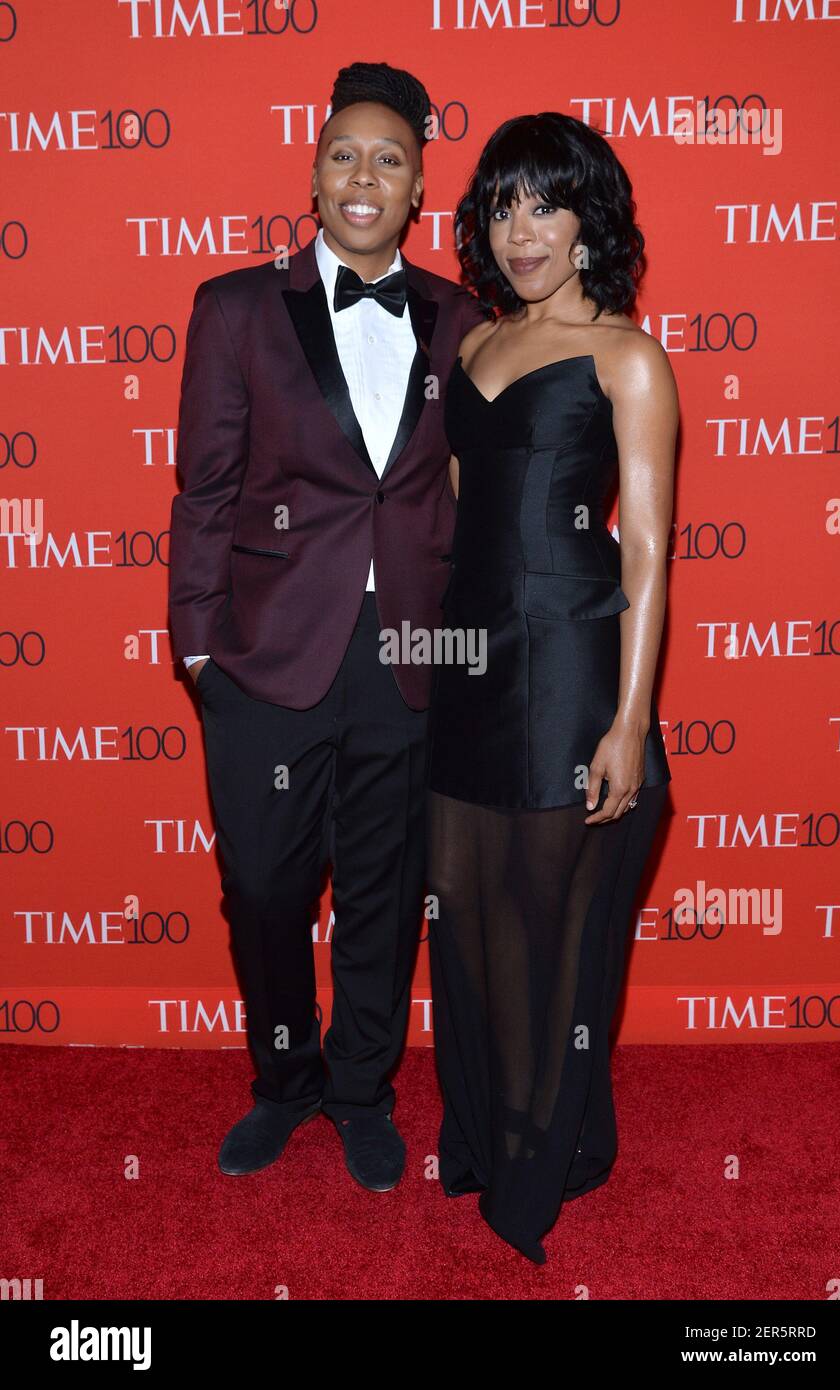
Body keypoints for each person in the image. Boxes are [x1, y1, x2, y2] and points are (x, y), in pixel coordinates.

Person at [168, 61, 486, 1189]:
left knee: (383, 892)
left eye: (390, 158)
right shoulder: (236, 309)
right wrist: (199, 650)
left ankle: (358, 1090)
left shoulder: (461, 317)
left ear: (415, 189)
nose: (365, 174)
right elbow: (202, 490)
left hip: (407, 658)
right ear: (313, 173)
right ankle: (283, 1079)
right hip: (263, 658)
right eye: (346, 152)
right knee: (259, 886)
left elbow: (474, 493)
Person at [425, 112, 678, 1263]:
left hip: (570, 666)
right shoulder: (472, 349)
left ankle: (541, 1151)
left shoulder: (626, 356)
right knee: (467, 927)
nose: (518, 229)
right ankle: (486, 1131)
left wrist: (628, 719)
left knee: (544, 932)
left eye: (544, 203)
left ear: (588, 222)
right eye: (500, 204)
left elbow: (642, 551)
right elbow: (461, 525)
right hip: (468, 668)